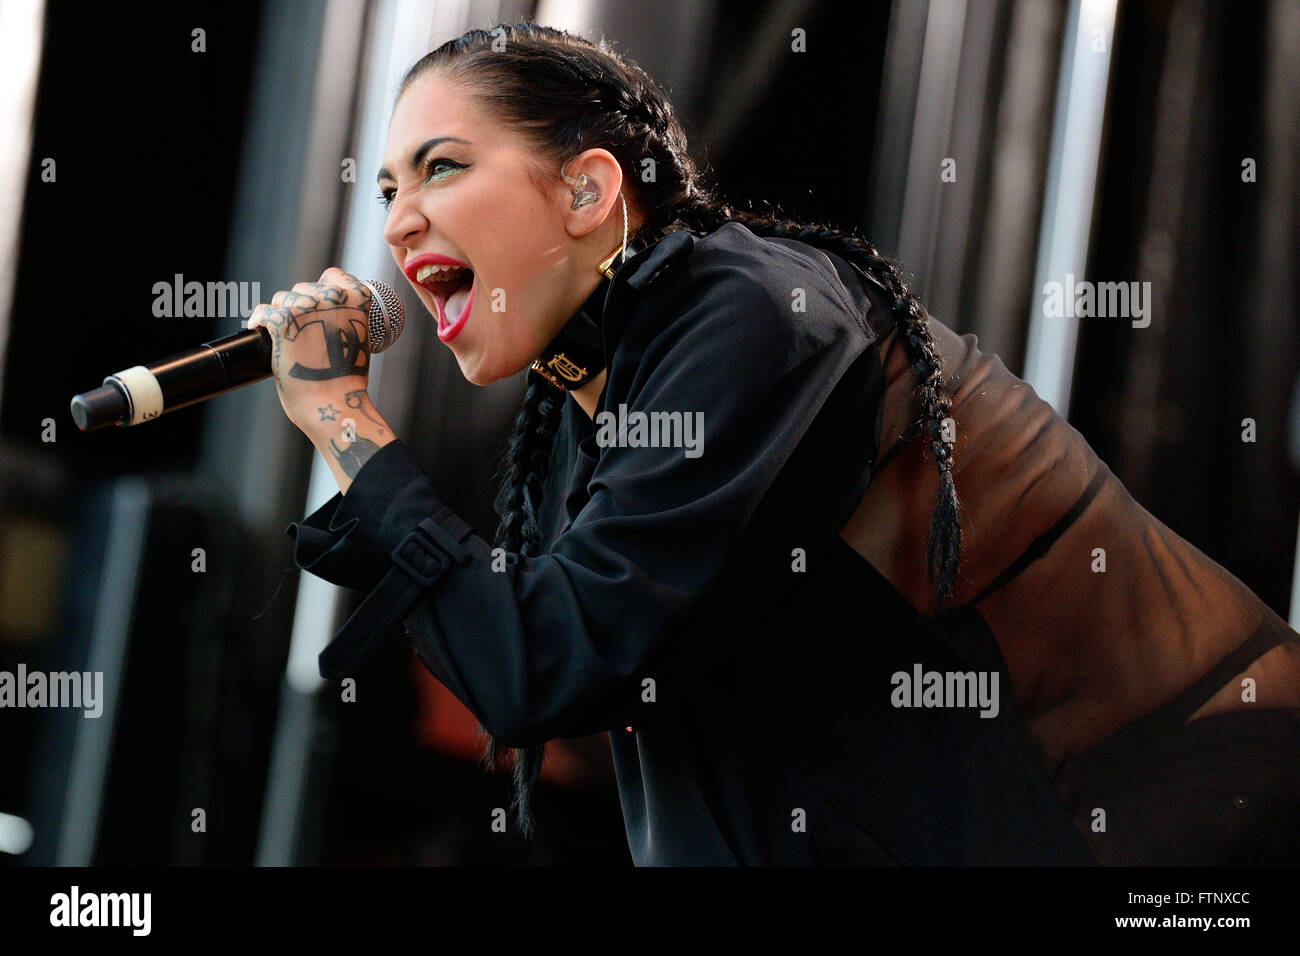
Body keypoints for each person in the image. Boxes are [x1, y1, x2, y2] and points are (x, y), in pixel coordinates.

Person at [248, 22, 1300, 865]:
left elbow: (546, 664)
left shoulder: (752, 309)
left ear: (587, 191)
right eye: (388, 188)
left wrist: (345, 414)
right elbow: (544, 667)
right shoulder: (598, 388)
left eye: (439, 167)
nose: (397, 221)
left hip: (1187, 802)